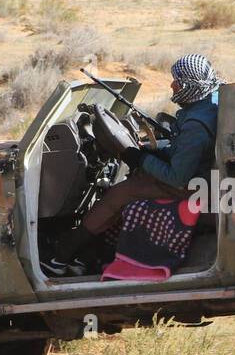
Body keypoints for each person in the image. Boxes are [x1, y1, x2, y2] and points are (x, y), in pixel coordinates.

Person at [42, 54, 220, 276]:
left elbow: (177, 177)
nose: (172, 86)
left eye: (178, 82)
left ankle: (61, 256)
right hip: (203, 177)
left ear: (189, 86)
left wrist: (141, 159)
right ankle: (86, 257)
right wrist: (151, 153)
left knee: (121, 192)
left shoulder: (196, 124)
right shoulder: (207, 103)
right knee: (132, 183)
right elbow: (186, 153)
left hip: (194, 186)